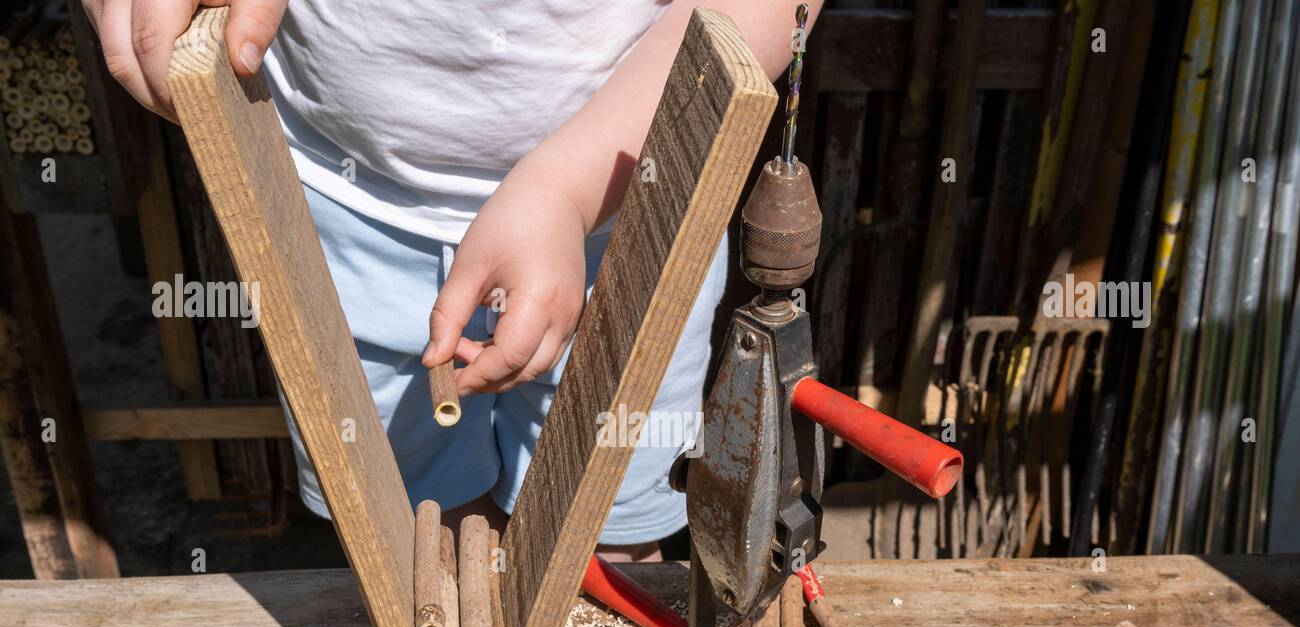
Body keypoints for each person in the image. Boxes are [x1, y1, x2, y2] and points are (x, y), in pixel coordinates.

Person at [84, 0, 820, 559]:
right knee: (417, 543)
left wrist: (568, 189)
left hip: (637, 205)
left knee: (599, 546)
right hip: (342, 208)